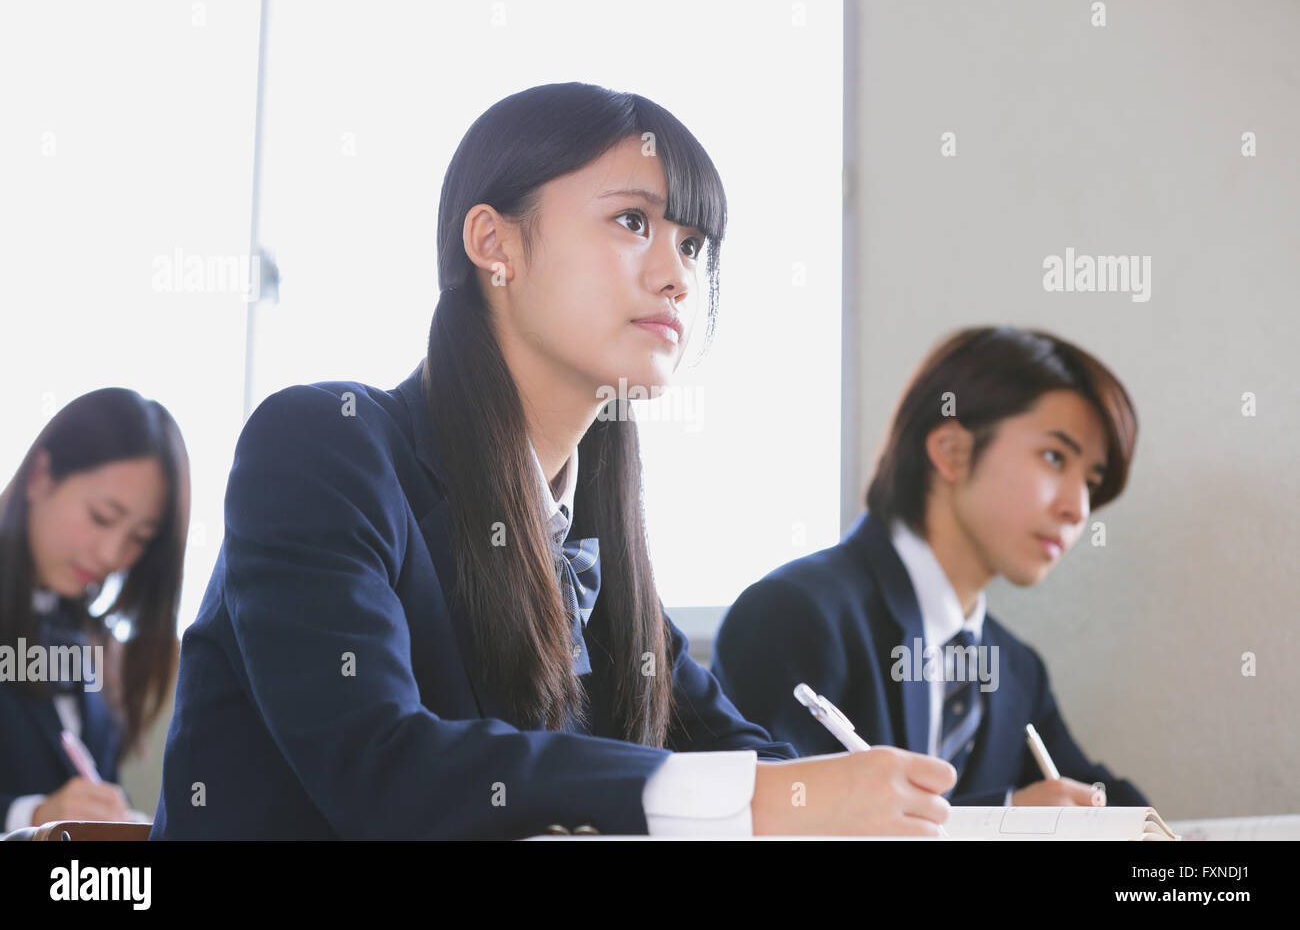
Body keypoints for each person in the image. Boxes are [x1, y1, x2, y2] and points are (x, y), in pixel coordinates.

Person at [152, 82, 955, 840]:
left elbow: (740, 754)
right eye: (633, 222)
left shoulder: (591, 536)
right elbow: (381, 769)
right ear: (493, 243)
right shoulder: (323, 445)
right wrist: (758, 798)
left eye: (693, 244)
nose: (677, 276)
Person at [712, 326, 1150, 807]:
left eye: (1091, 481)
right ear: (951, 451)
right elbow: (769, 820)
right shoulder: (795, 613)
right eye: (1054, 457)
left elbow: (1098, 801)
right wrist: (1003, 824)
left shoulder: (1016, 668)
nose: (1078, 507)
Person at [0, 388, 190, 831]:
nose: (111, 555)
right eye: (103, 517)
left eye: (139, 538)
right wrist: (32, 818)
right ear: (41, 476)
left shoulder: (87, 644)